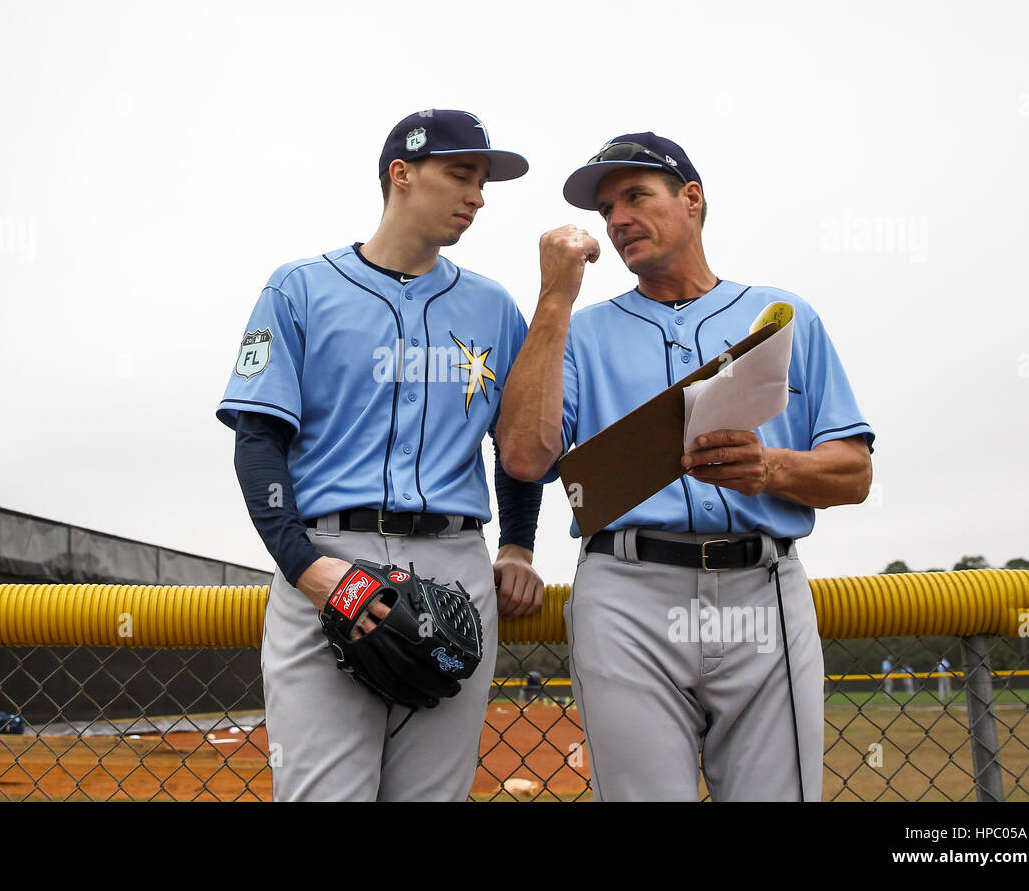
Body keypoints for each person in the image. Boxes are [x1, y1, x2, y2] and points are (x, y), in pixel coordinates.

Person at [496, 132, 875, 802]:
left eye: (635, 196)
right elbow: (525, 456)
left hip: (765, 584)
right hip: (627, 592)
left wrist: (773, 468)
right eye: (607, 209)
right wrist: (554, 298)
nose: (616, 220)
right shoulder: (579, 331)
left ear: (691, 199)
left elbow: (853, 473)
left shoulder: (782, 315)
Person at [217, 109, 546, 801]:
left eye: (483, 181)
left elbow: (518, 448)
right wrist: (305, 568)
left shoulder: (494, 307)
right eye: (461, 175)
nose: (477, 196)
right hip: (330, 556)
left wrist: (517, 545)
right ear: (401, 174)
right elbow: (258, 440)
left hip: (457, 565)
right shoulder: (300, 288)